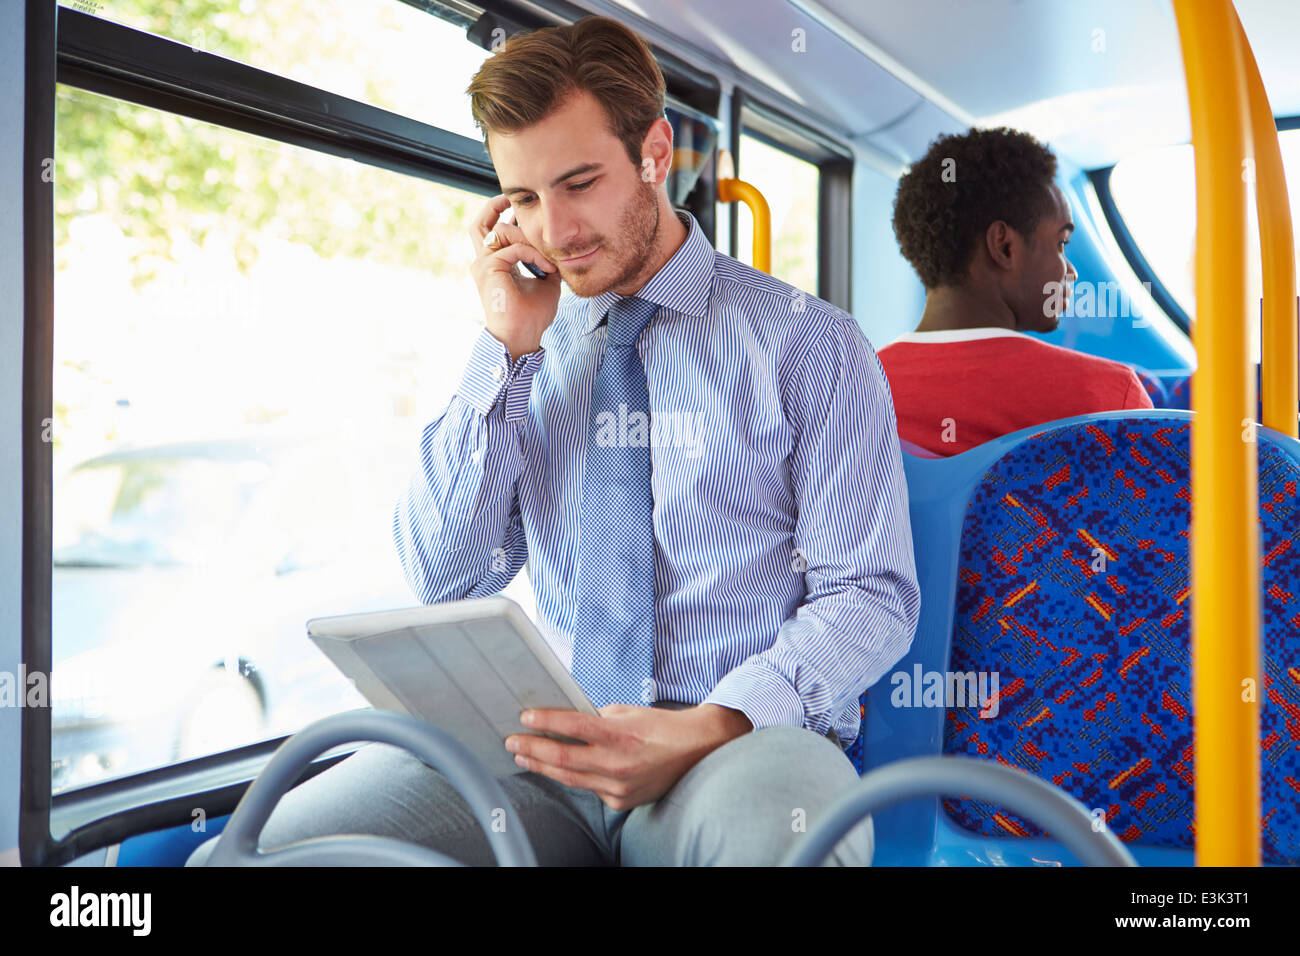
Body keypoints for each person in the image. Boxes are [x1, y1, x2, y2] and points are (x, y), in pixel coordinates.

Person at [189, 15, 918, 867]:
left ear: (654, 151)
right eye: (526, 199)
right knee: (258, 853)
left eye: (581, 183)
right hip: (545, 749)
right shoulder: (528, 354)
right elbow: (447, 576)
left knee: (776, 842)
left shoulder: (809, 345)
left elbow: (868, 597)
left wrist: (708, 725)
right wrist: (503, 351)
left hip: (733, 740)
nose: (557, 231)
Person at [878, 127, 1153, 456]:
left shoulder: (854, 389)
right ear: (1004, 247)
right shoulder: (1110, 401)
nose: (1071, 271)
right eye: (1060, 244)